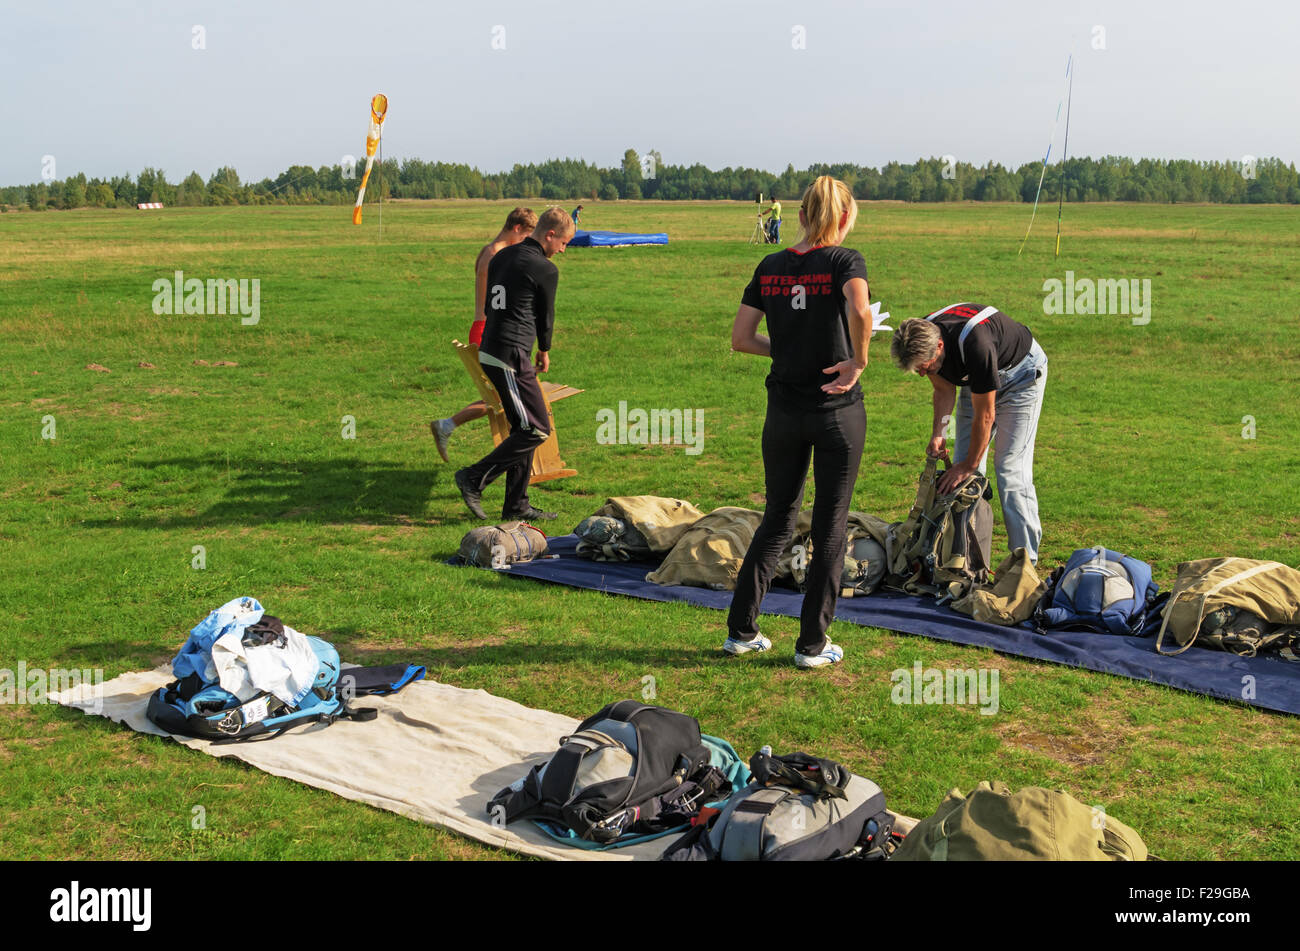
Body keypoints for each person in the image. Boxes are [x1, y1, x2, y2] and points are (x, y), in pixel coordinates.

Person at [724, 176, 871, 669]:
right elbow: (859, 310)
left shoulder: (770, 265)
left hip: (783, 412)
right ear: (845, 218)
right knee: (830, 525)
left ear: (802, 216)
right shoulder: (845, 261)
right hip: (835, 412)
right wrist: (858, 361)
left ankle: (742, 631)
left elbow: (742, 338)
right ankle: (812, 645)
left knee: (777, 518)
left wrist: (787, 349)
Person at [890, 303, 1048, 562]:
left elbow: (986, 416)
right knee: (960, 481)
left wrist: (970, 464)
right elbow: (943, 390)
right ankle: (964, 561)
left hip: (1022, 378)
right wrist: (939, 433)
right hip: (978, 379)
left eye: (926, 367)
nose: (922, 374)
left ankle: (1025, 565)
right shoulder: (922, 334)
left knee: (1010, 472)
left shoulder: (976, 344)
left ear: (940, 347)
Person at [454, 207, 575, 522]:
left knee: (525, 427)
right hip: (510, 355)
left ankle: (517, 505)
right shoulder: (544, 268)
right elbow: (544, 316)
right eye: (563, 243)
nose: (563, 250)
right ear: (549, 234)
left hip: (492, 348)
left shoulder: (501, 257)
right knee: (536, 429)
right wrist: (544, 350)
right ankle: (473, 477)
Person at [431, 207, 538, 462]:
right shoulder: (498, 255)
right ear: (516, 228)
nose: (525, 243)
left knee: (503, 395)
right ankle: (448, 426)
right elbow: (500, 299)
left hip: (483, 326)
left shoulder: (487, 250)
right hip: (489, 329)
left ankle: (449, 427)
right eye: (525, 236)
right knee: (502, 396)